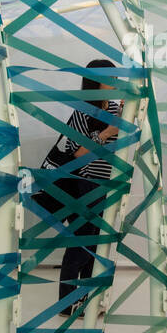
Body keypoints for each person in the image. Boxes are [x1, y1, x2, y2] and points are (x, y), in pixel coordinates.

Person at [34, 59, 122, 316]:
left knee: (94, 244)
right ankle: (66, 302)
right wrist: (106, 133)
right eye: (110, 78)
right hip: (84, 183)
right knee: (81, 242)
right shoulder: (84, 111)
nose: (115, 83)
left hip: (108, 182)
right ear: (95, 81)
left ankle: (86, 301)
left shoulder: (117, 108)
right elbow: (77, 154)